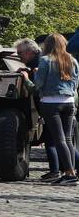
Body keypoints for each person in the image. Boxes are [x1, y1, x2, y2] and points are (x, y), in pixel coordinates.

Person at [33, 33, 78, 187]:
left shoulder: (45, 61)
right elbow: (75, 84)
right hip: (69, 102)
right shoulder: (73, 61)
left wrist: (29, 77)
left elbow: (38, 84)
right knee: (67, 140)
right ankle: (70, 173)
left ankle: (69, 173)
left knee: (59, 139)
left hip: (51, 103)